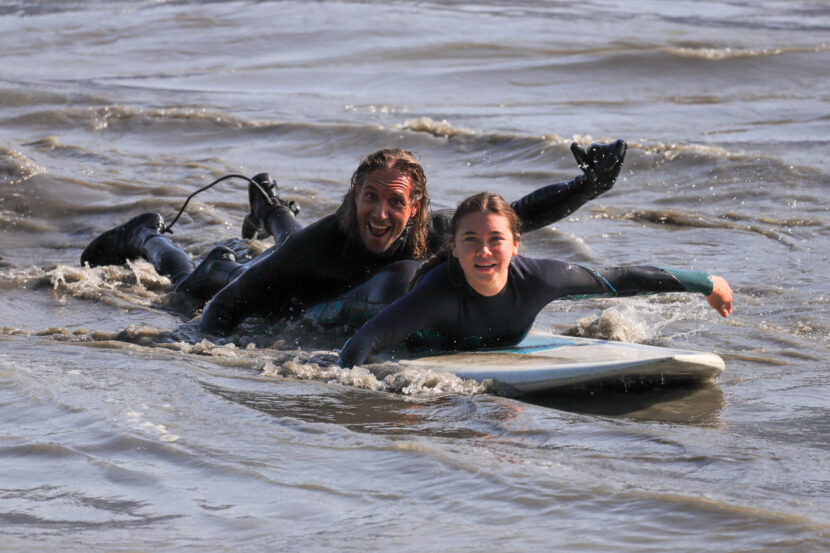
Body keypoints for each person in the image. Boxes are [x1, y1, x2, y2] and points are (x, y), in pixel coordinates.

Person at [80, 141, 628, 335]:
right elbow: (224, 307)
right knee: (190, 282)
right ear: (354, 196)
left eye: (396, 202)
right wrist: (200, 345)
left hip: (327, 282)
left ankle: (268, 207)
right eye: (371, 197)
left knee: (291, 240)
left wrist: (588, 185)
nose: (382, 213)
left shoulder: (433, 232)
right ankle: (147, 235)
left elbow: (517, 216)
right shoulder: (320, 244)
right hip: (253, 288)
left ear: (415, 208)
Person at [338, 192, 733, 368]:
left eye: (496, 240)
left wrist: (707, 283)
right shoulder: (436, 295)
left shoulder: (539, 280)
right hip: (385, 293)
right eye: (471, 240)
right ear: (453, 247)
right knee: (324, 313)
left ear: (516, 245)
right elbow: (362, 342)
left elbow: (618, 278)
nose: (484, 251)